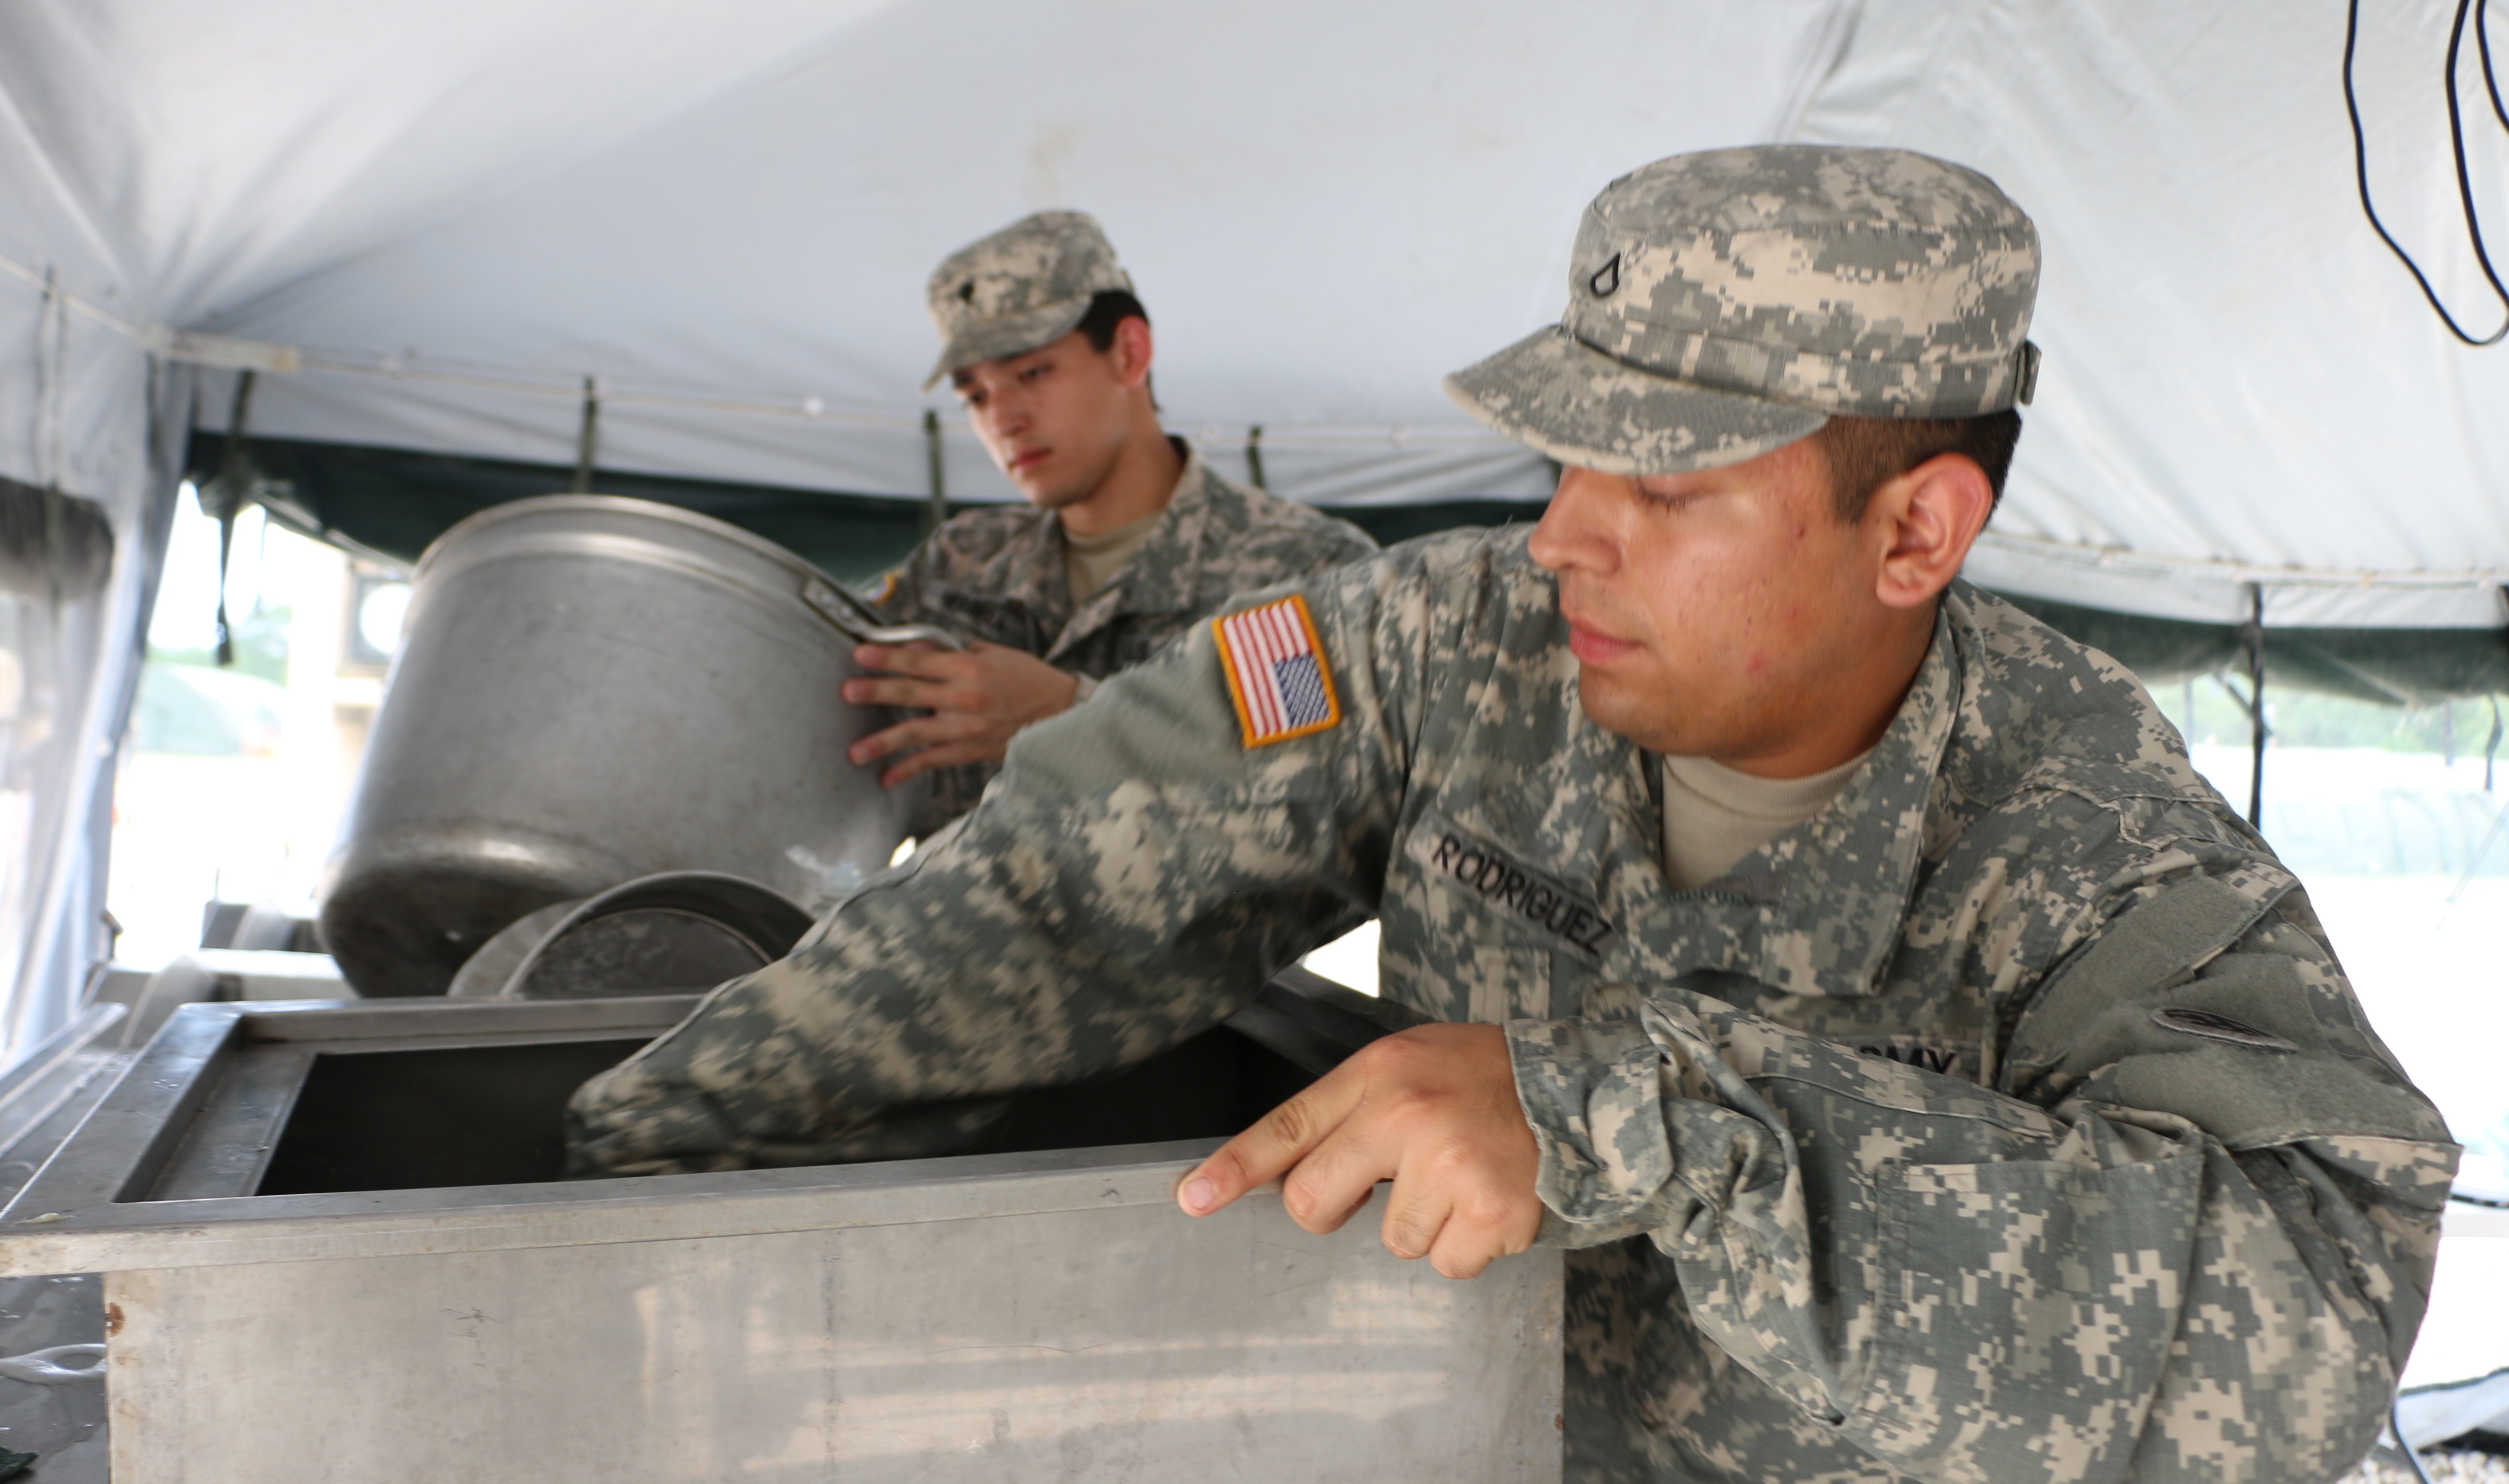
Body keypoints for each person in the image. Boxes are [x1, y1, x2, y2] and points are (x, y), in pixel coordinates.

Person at [569, 147, 2454, 1484]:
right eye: (1561, 456)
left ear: (1914, 528)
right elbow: (1070, 857)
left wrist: (1650, 1114)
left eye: (1660, 478)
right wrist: (615, 1155)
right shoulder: (1439, 635)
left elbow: (2300, 1326)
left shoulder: (2085, 827)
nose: (1560, 530)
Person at [847, 209, 1375, 832]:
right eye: (975, 396)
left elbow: (1330, 807)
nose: (1003, 419)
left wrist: (1076, 717)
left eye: (1032, 372)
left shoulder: (1300, 570)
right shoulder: (960, 561)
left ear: (1129, 353)